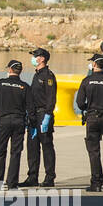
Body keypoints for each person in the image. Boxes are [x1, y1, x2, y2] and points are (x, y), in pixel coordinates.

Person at [75, 54, 103, 192]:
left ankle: (96, 183)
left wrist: (88, 107)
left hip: (92, 118)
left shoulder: (87, 81)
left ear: (94, 65)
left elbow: (80, 103)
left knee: (94, 152)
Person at [0, 60, 29, 190]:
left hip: (4, 121)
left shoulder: (0, 83)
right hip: (19, 122)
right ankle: (12, 184)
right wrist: (31, 123)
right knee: (15, 153)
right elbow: (30, 108)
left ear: (10, 70)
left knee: (0, 152)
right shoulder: (25, 86)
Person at [22, 47, 58, 187]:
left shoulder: (48, 76)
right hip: (33, 115)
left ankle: (49, 177)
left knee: (47, 146)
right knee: (32, 147)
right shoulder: (36, 74)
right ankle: (32, 177)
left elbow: (51, 98)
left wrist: (48, 116)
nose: (33, 58)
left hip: (43, 114)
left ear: (42, 58)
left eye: (35, 56)